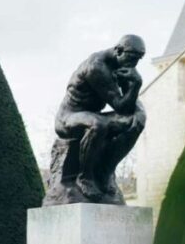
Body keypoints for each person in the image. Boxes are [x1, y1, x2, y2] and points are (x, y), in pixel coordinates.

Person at [55, 34, 147, 201]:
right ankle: (85, 177)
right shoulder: (96, 67)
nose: (134, 64)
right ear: (119, 51)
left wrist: (139, 111)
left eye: (138, 59)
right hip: (68, 118)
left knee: (137, 120)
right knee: (97, 124)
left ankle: (105, 172)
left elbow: (130, 108)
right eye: (132, 58)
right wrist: (136, 85)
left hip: (92, 115)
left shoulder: (123, 65)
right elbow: (120, 106)